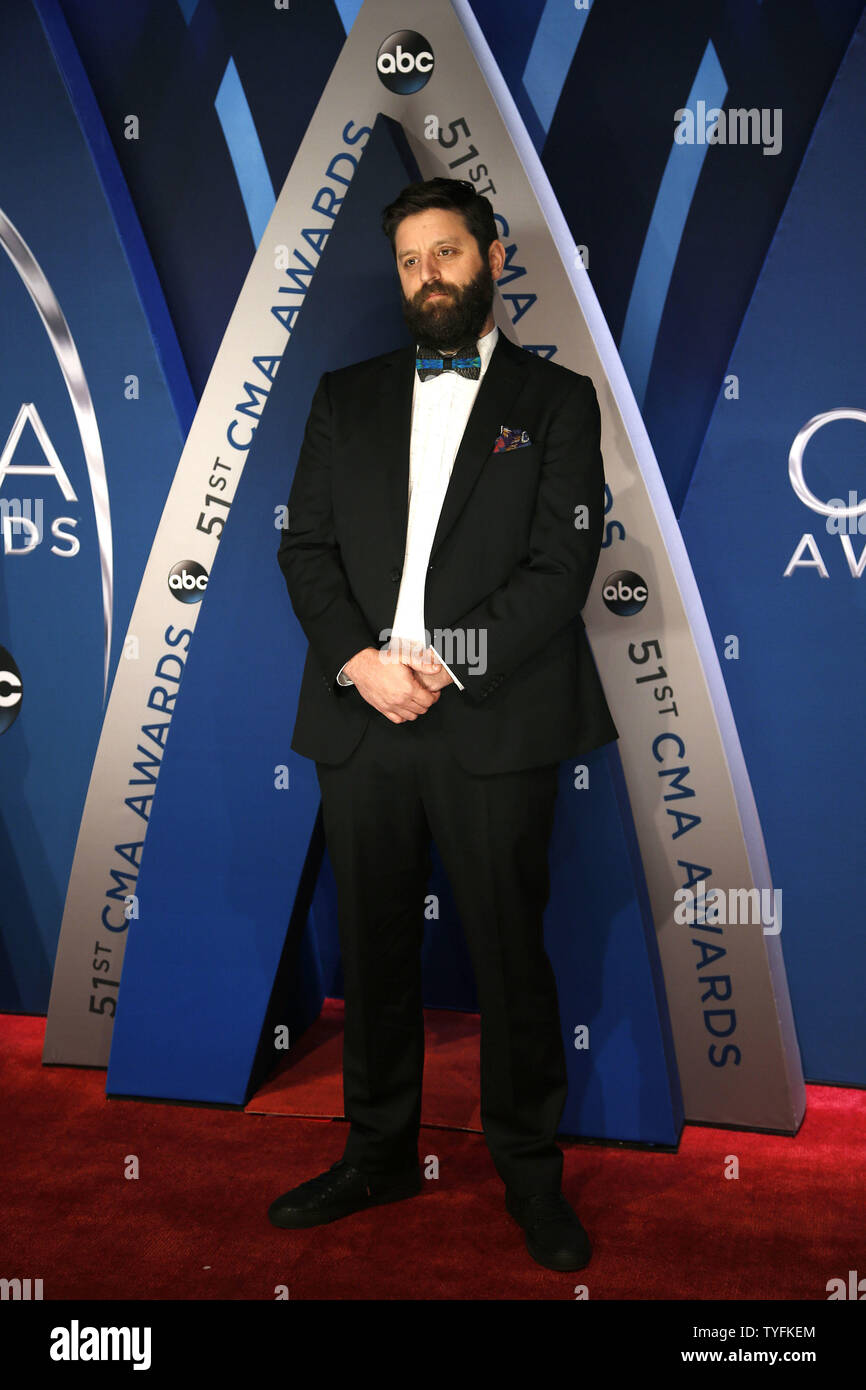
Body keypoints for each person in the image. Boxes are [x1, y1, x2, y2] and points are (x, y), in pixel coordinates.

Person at [271, 176, 617, 1272]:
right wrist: (365, 667)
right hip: (364, 717)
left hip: (493, 720)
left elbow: (560, 568)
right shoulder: (344, 396)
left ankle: (530, 1177)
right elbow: (305, 549)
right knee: (372, 954)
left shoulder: (556, 404)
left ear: (492, 257)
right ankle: (374, 1154)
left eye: (446, 254)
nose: (427, 275)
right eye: (410, 260)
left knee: (512, 960)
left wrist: (440, 663)